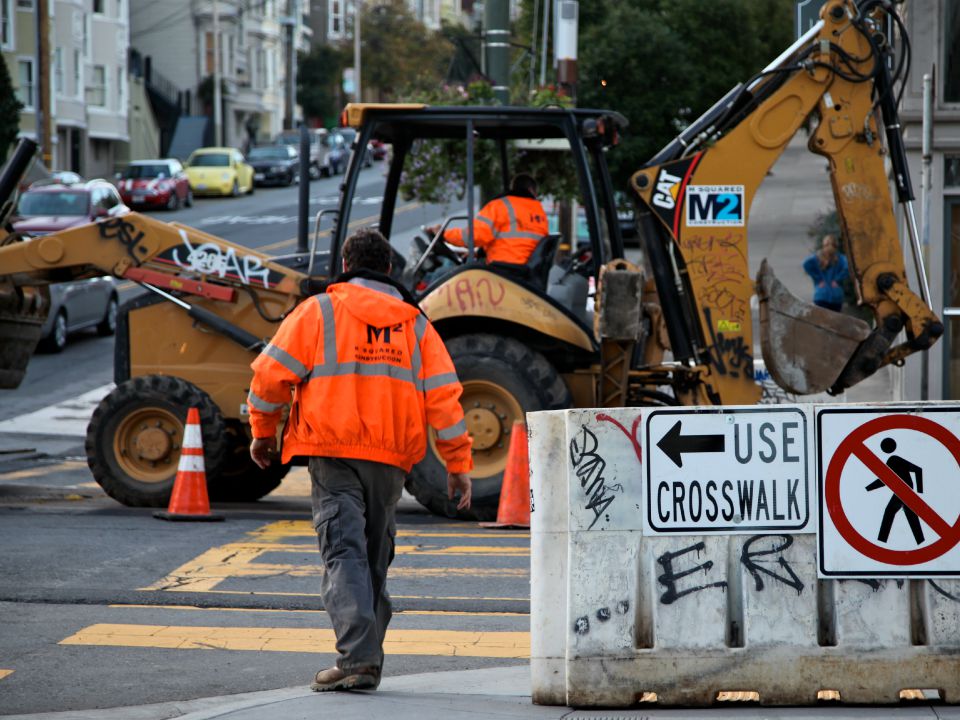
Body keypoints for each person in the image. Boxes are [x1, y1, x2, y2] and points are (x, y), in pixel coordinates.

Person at [247, 228, 473, 693]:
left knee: (343, 553)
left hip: (332, 452)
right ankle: (364, 658)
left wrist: (262, 433)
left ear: (346, 265)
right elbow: (445, 401)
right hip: (391, 459)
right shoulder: (415, 323)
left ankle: (358, 661)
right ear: (389, 269)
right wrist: (458, 464)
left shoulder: (318, 312)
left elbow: (270, 377)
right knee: (371, 558)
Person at [426, 173, 548, 265]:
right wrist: (480, 252)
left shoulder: (500, 206)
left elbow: (472, 237)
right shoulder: (539, 212)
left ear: (513, 188)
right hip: (524, 270)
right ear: (532, 191)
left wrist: (443, 235)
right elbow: (516, 243)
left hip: (502, 271)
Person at [802, 233, 849, 312]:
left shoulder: (817, 258)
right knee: (835, 321)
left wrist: (818, 279)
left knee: (821, 321)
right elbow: (848, 267)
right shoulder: (840, 258)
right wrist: (838, 279)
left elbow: (806, 263)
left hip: (821, 294)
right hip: (836, 294)